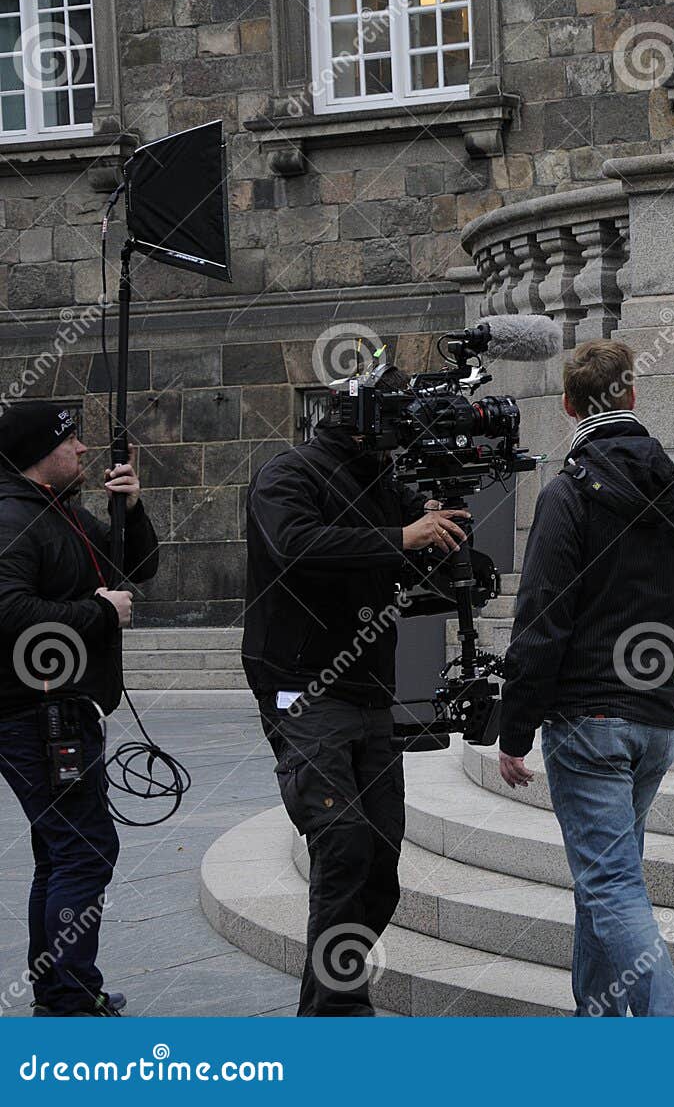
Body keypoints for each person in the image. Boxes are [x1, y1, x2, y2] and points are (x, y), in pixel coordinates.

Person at [496, 340, 674, 1016]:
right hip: (654, 719)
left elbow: (540, 618)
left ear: (570, 407)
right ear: (631, 395)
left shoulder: (568, 494)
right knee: (605, 878)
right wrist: (651, 600)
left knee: (612, 887)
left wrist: (512, 728)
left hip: (587, 719)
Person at [243, 407, 471, 1015]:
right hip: (302, 687)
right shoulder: (286, 475)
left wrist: (437, 538)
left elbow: (408, 564)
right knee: (342, 842)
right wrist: (401, 537)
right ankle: (338, 1015)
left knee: (379, 860)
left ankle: (327, 1005)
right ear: (364, 425)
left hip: (368, 690)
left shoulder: (383, 486)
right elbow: (295, 545)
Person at [0, 401, 158, 1016]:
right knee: (85, 850)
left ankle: (61, 989)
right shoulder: (14, 519)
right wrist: (96, 613)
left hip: (57, 710)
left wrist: (132, 507)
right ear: (43, 455)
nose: (85, 451)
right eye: (73, 442)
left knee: (61, 850)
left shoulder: (57, 513)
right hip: (36, 714)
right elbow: (7, 615)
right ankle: (70, 998)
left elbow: (137, 569)